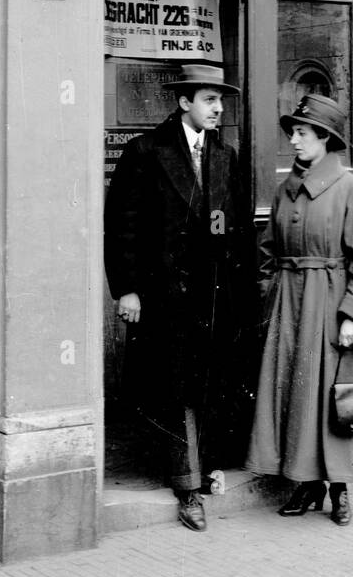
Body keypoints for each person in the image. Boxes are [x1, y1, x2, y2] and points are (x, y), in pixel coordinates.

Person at [104, 63, 255, 532]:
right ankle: (188, 488)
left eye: (221, 101)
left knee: (207, 386)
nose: (219, 108)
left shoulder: (225, 156)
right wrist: (128, 289)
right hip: (163, 296)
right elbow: (122, 228)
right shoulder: (145, 152)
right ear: (184, 102)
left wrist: (242, 294)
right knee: (175, 391)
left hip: (213, 296)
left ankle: (201, 469)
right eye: (210, 99)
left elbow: (238, 231)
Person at [247, 94, 353, 525]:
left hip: (331, 305)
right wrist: (272, 293)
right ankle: (307, 483)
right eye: (293, 132)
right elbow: (266, 251)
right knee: (294, 390)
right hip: (290, 305)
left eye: (302, 132)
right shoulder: (285, 190)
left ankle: (340, 490)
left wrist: (352, 316)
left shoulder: (350, 189)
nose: (294, 139)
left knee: (336, 395)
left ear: (324, 138)